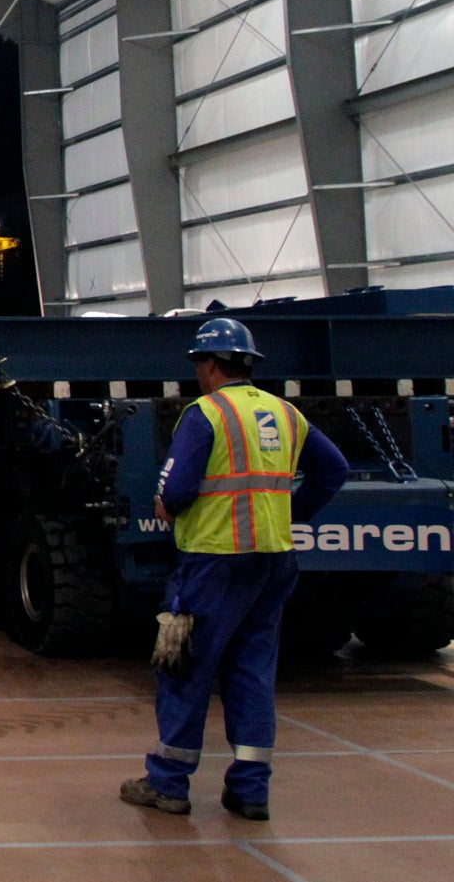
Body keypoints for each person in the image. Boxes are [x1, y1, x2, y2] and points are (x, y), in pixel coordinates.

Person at [121, 317, 349, 822]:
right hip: (273, 559)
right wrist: (293, 511)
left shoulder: (206, 414)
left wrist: (166, 504)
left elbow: (176, 493)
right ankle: (250, 790)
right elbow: (335, 470)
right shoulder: (286, 413)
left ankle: (168, 783)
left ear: (207, 366)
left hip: (214, 561)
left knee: (184, 666)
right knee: (252, 671)